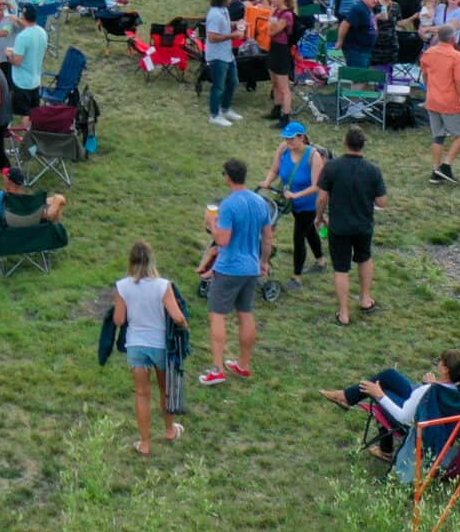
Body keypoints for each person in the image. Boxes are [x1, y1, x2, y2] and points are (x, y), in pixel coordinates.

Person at [318, 349, 460, 468]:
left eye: (440, 361)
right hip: (426, 410)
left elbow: (402, 417)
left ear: (445, 369)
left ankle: (386, 451)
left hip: (412, 422)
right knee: (389, 375)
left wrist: (380, 396)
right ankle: (346, 396)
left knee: (381, 389)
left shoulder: (427, 391)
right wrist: (432, 385)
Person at [199, 158, 272, 385]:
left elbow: (222, 239)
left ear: (228, 177)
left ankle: (218, 369)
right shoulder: (260, 202)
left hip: (229, 268)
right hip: (251, 267)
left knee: (217, 315)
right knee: (245, 314)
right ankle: (243, 364)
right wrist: (264, 261)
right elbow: (268, 236)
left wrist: (212, 222)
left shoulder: (229, 205)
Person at [112, 241, 187, 456]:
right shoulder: (163, 285)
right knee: (165, 390)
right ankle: (170, 430)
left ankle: (145, 443)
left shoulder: (122, 286)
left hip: (136, 345)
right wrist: (184, 325)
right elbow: (177, 316)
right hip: (160, 345)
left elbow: (119, 320)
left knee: (142, 394)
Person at [316, 126, 387, 325]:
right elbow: (382, 203)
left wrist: (319, 217)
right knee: (364, 259)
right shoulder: (373, 170)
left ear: (345, 143)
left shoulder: (331, 167)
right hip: (363, 225)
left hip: (338, 226)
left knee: (341, 268)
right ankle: (365, 299)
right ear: (363, 145)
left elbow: (322, 198)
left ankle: (344, 313)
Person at [264, 121, 326, 283]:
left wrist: (296, 195)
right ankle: (321, 261)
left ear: (302, 137)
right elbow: (275, 169)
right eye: (286, 138)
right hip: (290, 199)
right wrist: (267, 181)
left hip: (308, 204)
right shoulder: (283, 149)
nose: (288, 141)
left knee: (299, 237)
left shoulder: (314, 156)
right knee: (309, 230)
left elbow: (316, 186)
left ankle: (297, 277)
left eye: (291, 138)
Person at [421, 23, 460, 186]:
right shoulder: (456, 56)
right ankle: (446, 166)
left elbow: (425, 75)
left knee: (438, 136)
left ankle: (435, 170)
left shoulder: (428, 53)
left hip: (432, 100)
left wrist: (430, 89)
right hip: (449, 102)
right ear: (453, 38)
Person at [203, 0, 239, 126]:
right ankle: (214, 114)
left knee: (233, 81)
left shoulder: (224, 10)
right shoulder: (215, 14)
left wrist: (235, 24)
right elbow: (212, 37)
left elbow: (224, 26)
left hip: (227, 53)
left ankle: (225, 108)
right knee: (218, 86)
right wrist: (232, 36)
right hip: (217, 56)